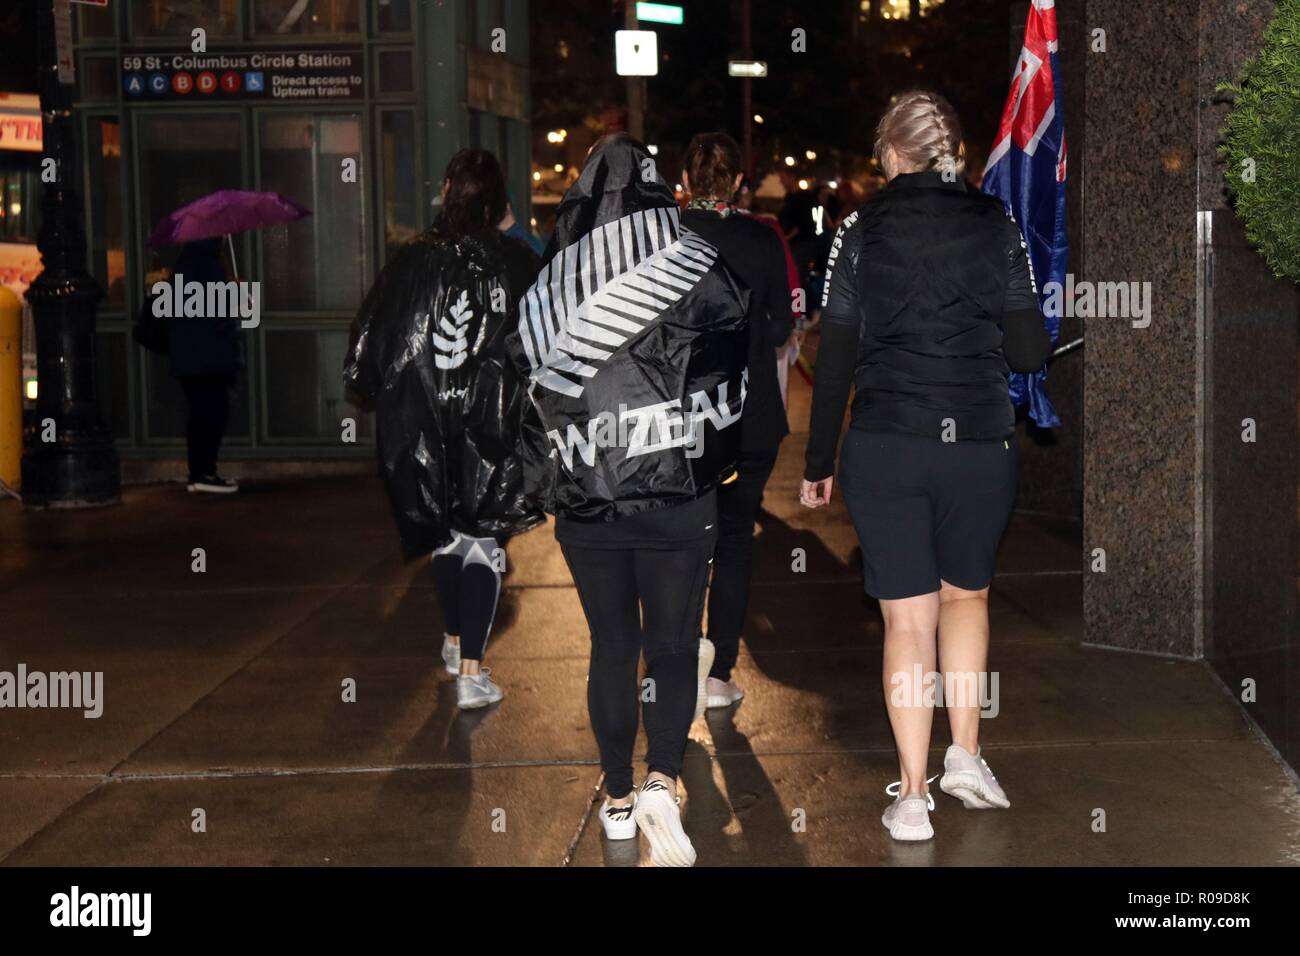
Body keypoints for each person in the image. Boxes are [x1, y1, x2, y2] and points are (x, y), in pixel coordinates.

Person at [800, 91, 1051, 842]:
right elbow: (1030, 352)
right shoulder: (997, 223)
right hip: (978, 446)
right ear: (954, 153)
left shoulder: (859, 229)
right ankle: (966, 755)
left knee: (908, 621)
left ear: (891, 152)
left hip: (887, 444)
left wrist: (819, 462)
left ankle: (913, 797)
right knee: (966, 598)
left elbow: (835, 354)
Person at [510, 133, 749, 866]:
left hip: (589, 498)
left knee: (613, 644)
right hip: (678, 494)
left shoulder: (551, 284)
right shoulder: (695, 261)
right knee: (674, 645)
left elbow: (522, 387)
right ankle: (660, 779)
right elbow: (733, 344)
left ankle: (616, 800)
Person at [345, 149, 544, 710]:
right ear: (498, 199)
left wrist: (374, 385)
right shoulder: (514, 261)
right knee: (481, 538)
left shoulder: (413, 260)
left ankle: (458, 643)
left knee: (446, 533)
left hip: (423, 420)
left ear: (447, 193)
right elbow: (544, 342)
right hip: (489, 420)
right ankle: (472, 672)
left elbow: (371, 336)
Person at [681, 132, 793, 712]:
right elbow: (778, 331)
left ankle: (676, 665)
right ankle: (718, 672)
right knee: (733, 543)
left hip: (683, 423)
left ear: (686, 180)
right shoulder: (761, 239)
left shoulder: (668, 239)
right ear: (740, 183)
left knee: (680, 546)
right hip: (748, 419)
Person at [166, 238, 242, 494]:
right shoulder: (210, 269)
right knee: (214, 413)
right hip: (209, 356)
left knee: (200, 415)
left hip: (188, 357)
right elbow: (219, 315)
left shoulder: (183, 266)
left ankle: (198, 472)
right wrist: (235, 294)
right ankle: (204, 473)